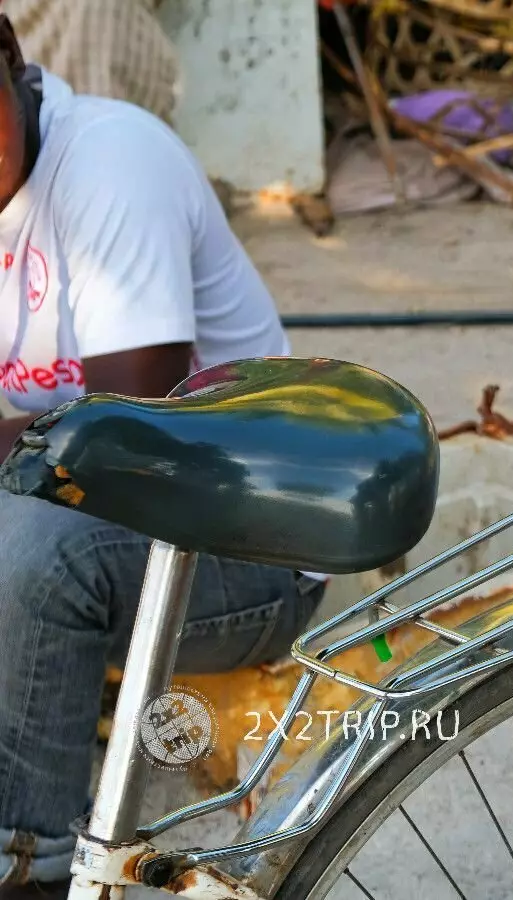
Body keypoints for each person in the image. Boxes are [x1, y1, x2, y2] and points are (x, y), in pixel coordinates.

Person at [0, 17, 326, 899]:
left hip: (247, 540)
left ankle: (27, 855)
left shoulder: (113, 164)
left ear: (13, 61)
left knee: (30, 550)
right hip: (124, 527)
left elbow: (117, 443)